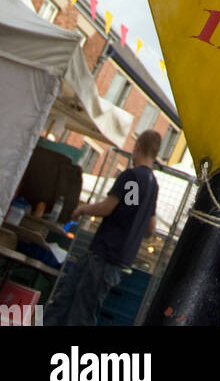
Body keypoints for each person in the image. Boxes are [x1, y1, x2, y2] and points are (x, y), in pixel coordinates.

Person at [44, 130, 160, 327]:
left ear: (137, 146)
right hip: (120, 259)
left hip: (104, 253)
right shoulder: (153, 185)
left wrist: (83, 209)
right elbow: (150, 229)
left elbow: (108, 207)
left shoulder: (131, 176)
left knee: (72, 308)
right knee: (75, 306)